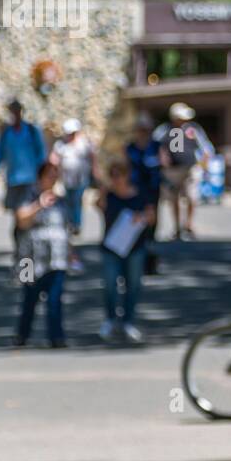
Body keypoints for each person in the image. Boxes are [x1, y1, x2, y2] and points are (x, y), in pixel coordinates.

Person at [95, 159, 153, 343]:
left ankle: (128, 321)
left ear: (127, 176)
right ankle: (110, 320)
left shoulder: (140, 194)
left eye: (119, 175)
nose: (116, 179)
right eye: (113, 176)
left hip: (135, 248)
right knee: (110, 285)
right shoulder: (109, 195)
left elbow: (151, 217)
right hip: (111, 248)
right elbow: (98, 205)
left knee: (133, 285)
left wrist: (141, 217)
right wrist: (103, 188)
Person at [13, 160, 69, 348]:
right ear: (41, 176)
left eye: (55, 176)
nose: (53, 179)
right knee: (29, 297)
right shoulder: (28, 194)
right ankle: (22, 335)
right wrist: (38, 204)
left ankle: (57, 337)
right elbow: (20, 220)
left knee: (55, 298)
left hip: (56, 258)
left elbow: (65, 228)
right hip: (28, 258)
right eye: (49, 175)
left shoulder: (60, 200)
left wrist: (71, 251)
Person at [0, 98, 48, 245]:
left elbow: (41, 153)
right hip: (13, 178)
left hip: (30, 179)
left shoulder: (31, 130)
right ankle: (21, 242)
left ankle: (26, 241)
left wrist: (42, 175)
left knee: (26, 210)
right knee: (16, 212)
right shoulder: (6, 132)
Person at [156, 102, 215, 241]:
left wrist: (204, 166)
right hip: (172, 171)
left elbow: (206, 148)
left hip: (190, 169)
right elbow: (155, 145)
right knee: (173, 199)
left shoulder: (193, 130)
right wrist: (161, 160)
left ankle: (188, 225)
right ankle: (176, 228)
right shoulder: (164, 130)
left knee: (191, 197)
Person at [51, 118, 98, 272]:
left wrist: (95, 174)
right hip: (67, 180)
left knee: (77, 200)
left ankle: (76, 224)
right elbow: (54, 159)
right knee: (68, 202)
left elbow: (92, 158)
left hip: (81, 179)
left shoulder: (84, 143)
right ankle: (71, 223)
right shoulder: (60, 145)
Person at [126, 113, 163, 275]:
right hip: (135, 192)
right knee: (135, 226)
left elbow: (164, 163)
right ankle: (135, 262)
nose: (143, 133)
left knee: (151, 226)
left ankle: (150, 262)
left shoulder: (156, 146)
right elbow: (125, 168)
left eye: (146, 130)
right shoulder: (130, 148)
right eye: (141, 130)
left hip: (153, 191)